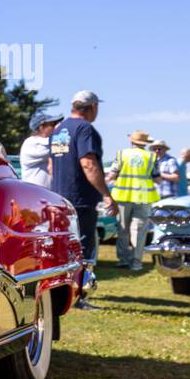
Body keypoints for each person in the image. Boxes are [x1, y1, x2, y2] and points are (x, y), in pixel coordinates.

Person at [49, 91, 115, 298]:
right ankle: (79, 296)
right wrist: (106, 194)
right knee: (83, 247)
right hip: (81, 198)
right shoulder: (85, 129)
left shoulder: (58, 130)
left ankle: (62, 294)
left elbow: (51, 166)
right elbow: (88, 164)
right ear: (93, 107)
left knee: (63, 247)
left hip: (60, 197)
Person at [107, 130, 158, 270]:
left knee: (123, 229)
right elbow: (157, 177)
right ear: (145, 143)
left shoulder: (121, 154)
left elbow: (112, 174)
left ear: (131, 141)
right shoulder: (152, 156)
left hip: (123, 197)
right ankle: (136, 263)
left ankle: (123, 260)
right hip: (144, 198)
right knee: (139, 230)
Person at [19, 111, 63, 187]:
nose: (55, 127)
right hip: (34, 193)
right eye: (53, 124)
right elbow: (60, 145)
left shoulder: (46, 141)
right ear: (41, 127)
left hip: (43, 193)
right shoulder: (32, 143)